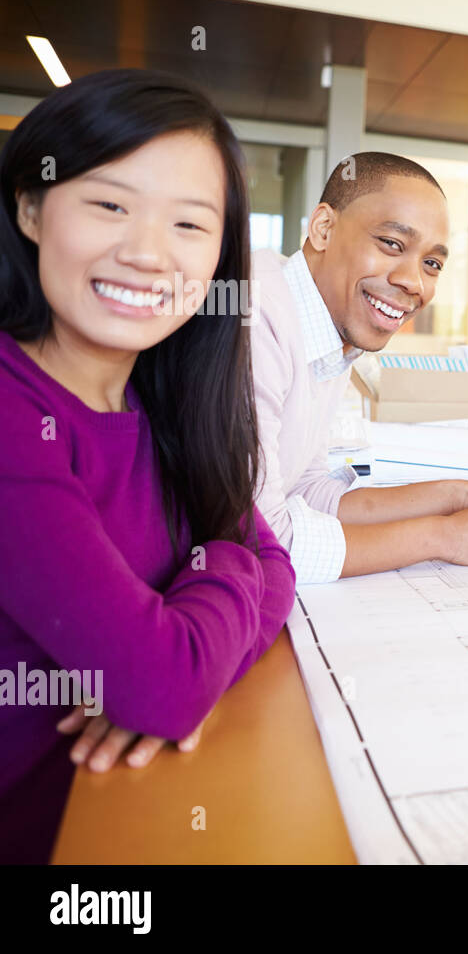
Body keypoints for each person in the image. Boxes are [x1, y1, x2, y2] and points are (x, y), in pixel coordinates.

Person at [0, 69, 295, 862]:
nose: (146, 254)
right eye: (109, 204)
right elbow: (166, 684)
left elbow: (276, 563)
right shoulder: (10, 417)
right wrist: (179, 664)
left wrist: (190, 654)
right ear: (30, 207)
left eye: (190, 226)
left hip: (117, 812)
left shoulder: (159, 399)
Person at [250, 152, 468, 584]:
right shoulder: (255, 315)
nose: (414, 283)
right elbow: (258, 544)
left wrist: (461, 496)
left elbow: (305, 489)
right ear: (324, 228)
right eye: (392, 244)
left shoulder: (331, 323)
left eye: (431, 263)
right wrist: (443, 536)